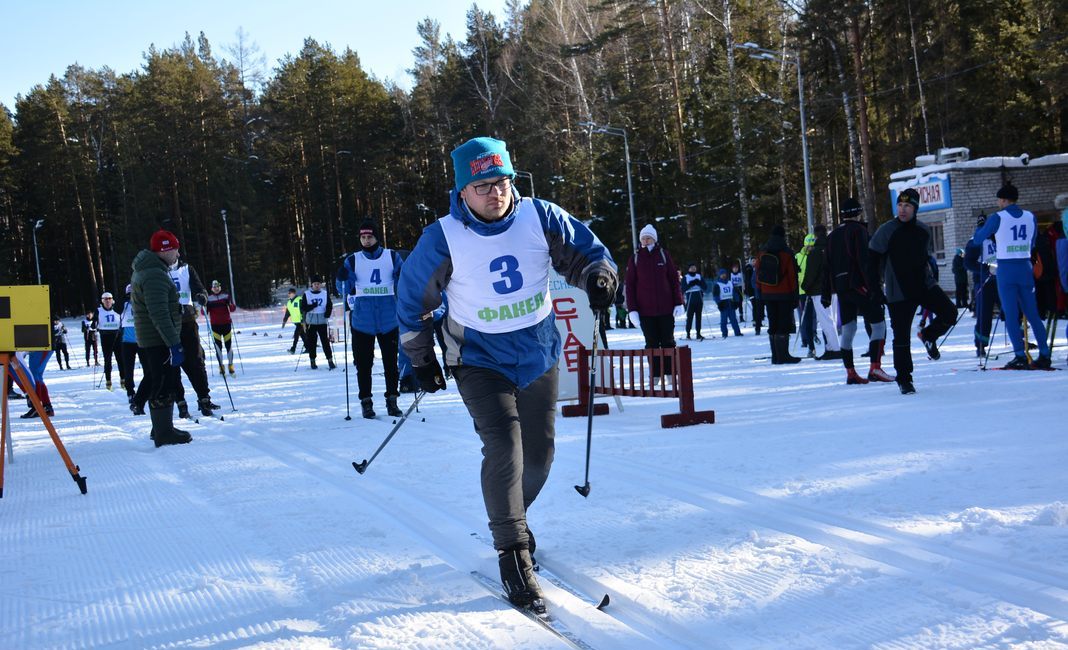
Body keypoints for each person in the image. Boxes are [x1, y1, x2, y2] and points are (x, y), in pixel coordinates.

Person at [396, 136, 616, 615]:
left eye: (500, 182)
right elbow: (413, 300)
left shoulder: (541, 216)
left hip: (537, 351)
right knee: (504, 446)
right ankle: (513, 553)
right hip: (477, 359)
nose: (494, 193)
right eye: (481, 186)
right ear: (462, 192)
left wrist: (599, 276)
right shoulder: (443, 237)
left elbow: (587, 253)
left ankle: (512, 516)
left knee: (538, 456)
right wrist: (420, 358)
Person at [869, 188, 957, 394]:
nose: (903, 209)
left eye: (907, 206)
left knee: (950, 313)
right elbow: (871, 260)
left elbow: (925, 259)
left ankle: (928, 334)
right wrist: (875, 289)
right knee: (901, 338)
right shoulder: (887, 230)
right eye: (900, 205)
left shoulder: (923, 230)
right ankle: (904, 379)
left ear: (915, 208)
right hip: (898, 291)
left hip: (924, 286)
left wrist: (932, 279)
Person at [969, 183, 1051, 369]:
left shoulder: (998, 217)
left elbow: (978, 239)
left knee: (1011, 314)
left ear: (1004, 200)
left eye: (999, 199)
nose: (998, 202)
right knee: (1033, 314)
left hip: (1006, 268)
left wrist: (981, 226)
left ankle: (1020, 356)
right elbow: (1032, 243)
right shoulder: (1030, 216)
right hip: (1025, 266)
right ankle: (1045, 354)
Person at [336, 220, 404, 418]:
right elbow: (343, 289)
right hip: (362, 320)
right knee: (363, 365)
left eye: (370, 237)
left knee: (391, 363)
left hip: (388, 319)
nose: (366, 241)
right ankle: (366, 402)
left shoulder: (392, 256)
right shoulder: (353, 260)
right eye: (363, 237)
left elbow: (403, 282)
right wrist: (341, 279)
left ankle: (392, 400)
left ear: (377, 237)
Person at [130, 230, 191, 447]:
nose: (177, 253)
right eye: (175, 248)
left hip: (152, 338)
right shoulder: (154, 274)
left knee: (159, 380)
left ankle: (162, 427)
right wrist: (173, 343)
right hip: (158, 339)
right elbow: (159, 313)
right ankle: (164, 433)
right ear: (165, 250)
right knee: (163, 382)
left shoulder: (149, 270)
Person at [822, 197, 891, 383]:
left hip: (841, 290)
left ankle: (850, 373)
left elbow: (826, 267)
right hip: (859, 286)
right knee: (878, 325)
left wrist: (826, 293)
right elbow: (864, 262)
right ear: (858, 213)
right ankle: (875, 368)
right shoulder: (859, 231)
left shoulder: (831, 236)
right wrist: (875, 289)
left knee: (848, 329)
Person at [625, 224, 684, 379]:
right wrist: (632, 310)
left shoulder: (664, 255)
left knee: (668, 342)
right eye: (643, 238)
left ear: (654, 239)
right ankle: (656, 374)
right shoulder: (635, 258)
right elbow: (630, 286)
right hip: (645, 311)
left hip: (666, 309)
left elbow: (673, 280)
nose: (646, 240)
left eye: (649, 237)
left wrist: (679, 302)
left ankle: (671, 373)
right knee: (651, 343)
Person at [168, 254, 218, 417]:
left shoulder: (187, 268)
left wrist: (202, 295)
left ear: (177, 252)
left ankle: (204, 398)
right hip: (168, 323)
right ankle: (180, 402)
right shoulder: (158, 270)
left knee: (196, 360)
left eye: (172, 250)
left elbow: (198, 287)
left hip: (188, 320)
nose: (169, 254)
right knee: (174, 364)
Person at [755, 224, 801, 364]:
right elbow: (792, 276)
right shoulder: (787, 252)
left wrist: (760, 291)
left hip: (767, 294)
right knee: (783, 323)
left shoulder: (762, 252)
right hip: (784, 294)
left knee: (772, 323)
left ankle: (775, 356)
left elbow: (758, 273)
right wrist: (795, 294)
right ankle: (783, 355)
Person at [802, 224, 842, 361]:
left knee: (826, 321)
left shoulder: (815, 252)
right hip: (834, 289)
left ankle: (835, 349)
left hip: (820, 291)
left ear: (815, 235)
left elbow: (811, 273)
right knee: (832, 319)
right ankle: (831, 347)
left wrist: (805, 286)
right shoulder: (834, 249)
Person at [964, 214, 999, 358]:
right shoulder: (974, 242)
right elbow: (968, 263)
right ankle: (980, 345)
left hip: (1001, 279)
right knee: (984, 315)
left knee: (1011, 311)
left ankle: (1020, 340)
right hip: (984, 282)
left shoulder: (997, 237)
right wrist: (985, 268)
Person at [118, 284, 144, 411]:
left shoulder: (140, 301)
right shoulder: (123, 304)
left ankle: (145, 391)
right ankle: (130, 391)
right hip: (127, 342)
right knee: (128, 368)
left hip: (142, 340)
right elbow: (116, 309)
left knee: (147, 367)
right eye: (130, 293)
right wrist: (125, 298)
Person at [300, 275, 335, 370]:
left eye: (318, 284)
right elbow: (303, 307)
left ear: (321, 285)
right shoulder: (307, 294)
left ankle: (330, 360)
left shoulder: (324, 293)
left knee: (325, 341)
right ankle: (312, 360)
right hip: (311, 322)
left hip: (322, 321)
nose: (317, 286)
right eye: (315, 284)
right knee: (312, 342)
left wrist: (328, 313)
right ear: (311, 285)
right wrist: (312, 306)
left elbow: (329, 305)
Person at [91, 291, 123, 390]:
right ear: (102, 301)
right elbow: (94, 322)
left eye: (109, 298)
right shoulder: (98, 310)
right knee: (107, 359)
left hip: (117, 335)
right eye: (105, 299)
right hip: (105, 336)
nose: (108, 301)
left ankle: (124, 380)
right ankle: (108, 381)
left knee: (121, 359)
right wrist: (94, 324)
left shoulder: (118, 309)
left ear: (112, 300)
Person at [205, 280, 237, 376]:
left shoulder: (226, 296)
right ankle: (221, 367)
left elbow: (232, 308)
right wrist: (203, 305)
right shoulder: (209, 299)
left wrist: (231, 305)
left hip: (226, 325)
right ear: (211, 288)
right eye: (214, 287)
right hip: (215, 327)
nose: (216, 288)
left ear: (220, 287)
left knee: (229, 347)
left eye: (217, 286)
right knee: (218, 348)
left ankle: (230, 366)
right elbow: (204, 313)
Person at [795, 233, 818, 358]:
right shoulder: (798, 257)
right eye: (809, 246)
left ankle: (827, 345)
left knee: (818, 318)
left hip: (815, 291)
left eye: (813, 246)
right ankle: (810, 346)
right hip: (803, 293)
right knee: (806, 319)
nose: (811, 249)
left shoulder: (815, 256)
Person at [712, 268, 742, 338]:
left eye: (724, 274)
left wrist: (737, 302)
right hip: (723, 304)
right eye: (722, 274)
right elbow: (715, 296)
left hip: (731, 303)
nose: (723, 275)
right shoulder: (717, 285)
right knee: (723, 321)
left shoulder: (730, 283)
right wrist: (719, 304)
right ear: (719, 275)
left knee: (734, 319)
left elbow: (735, 293)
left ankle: (737, 332)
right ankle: (724, 333)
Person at [682, 263, 706, 340]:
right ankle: (688, 334)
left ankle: (698, 333)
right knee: (689, 317)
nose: (693, 269)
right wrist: (691, 284)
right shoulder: (686, 277)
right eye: (691, 268)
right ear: (688, 269)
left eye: (694, 267)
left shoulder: (699, 276)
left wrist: (699, 283)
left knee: (698, 317)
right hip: (690, 300)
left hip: (699, 299)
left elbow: (705, 287)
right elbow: (683, 288)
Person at [282, 287, 305, 354]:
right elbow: (287, 313)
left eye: (290, 293)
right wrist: (284, 321)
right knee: (302, 335)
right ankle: (308, 347)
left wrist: (303, 319)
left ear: (294, 293)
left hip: (301, 321)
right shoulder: (289, 302)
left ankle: (293, 349)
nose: (288, 294)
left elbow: (303, 310)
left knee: (296, 335)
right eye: (288, 293)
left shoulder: (299, 300)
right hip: (295, 322)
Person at [744, 257, 764, 334]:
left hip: (761, 293)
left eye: (755, 260)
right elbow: (749, 282)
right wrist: (750, 292)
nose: (754, 262)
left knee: (760, 309)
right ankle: (756, 324)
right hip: (754, 292)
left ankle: (759, 322)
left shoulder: (758, 269)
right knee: (756, 308)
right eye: (753, 261)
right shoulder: (749, 269)